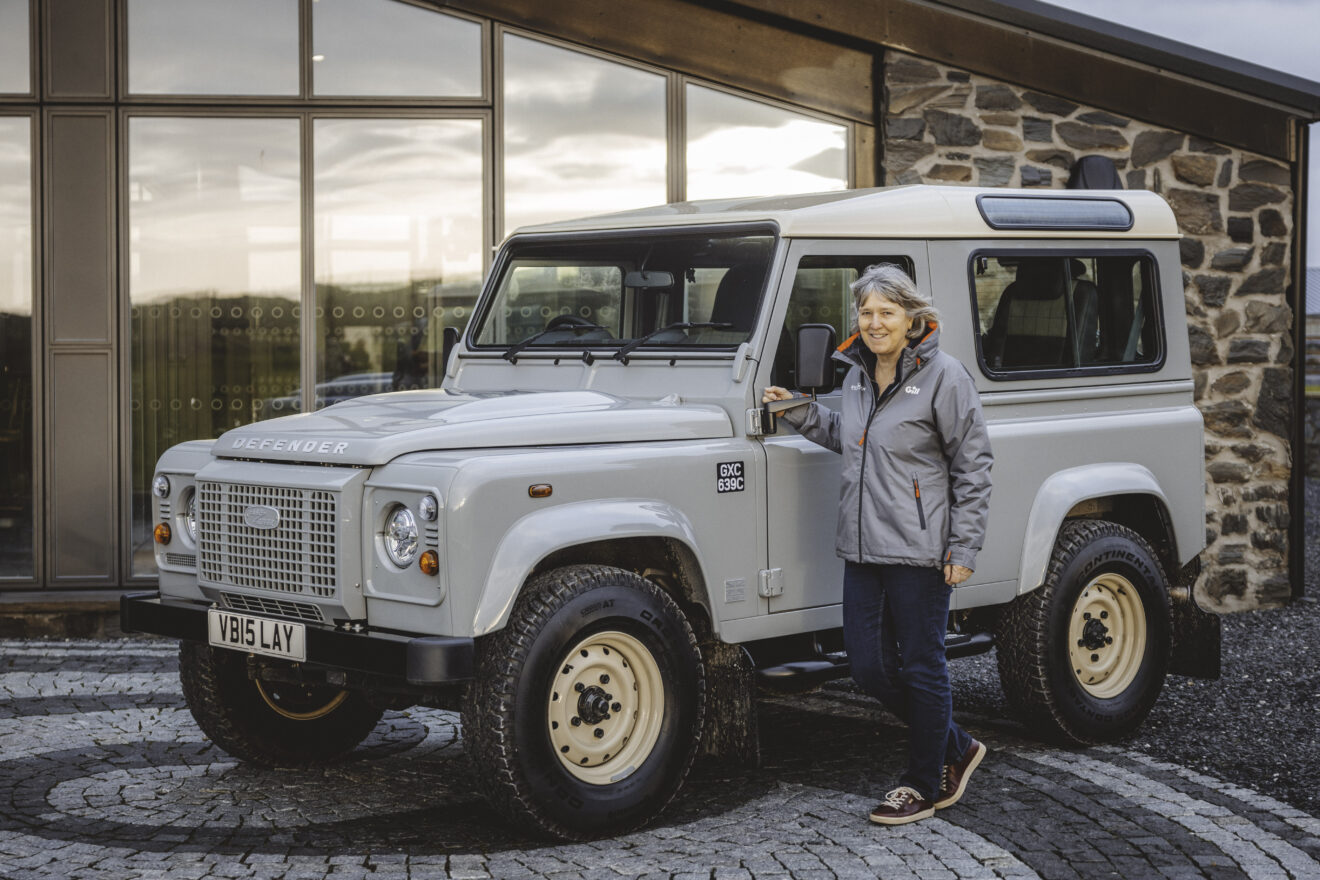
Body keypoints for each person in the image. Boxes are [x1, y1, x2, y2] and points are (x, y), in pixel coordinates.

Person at [763, 263, 993, 826]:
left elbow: (973, 465)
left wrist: (962, 550)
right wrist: (798, 409)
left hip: (920, 548)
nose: (874, 322)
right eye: (866, 313)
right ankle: (956, 744)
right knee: (866, 667)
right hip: (862, 547)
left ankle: (924, 783)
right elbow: (851, 438)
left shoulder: (945, 376)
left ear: (913, 318)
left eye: (886, 312)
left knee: (921, 664)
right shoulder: (858, 376)